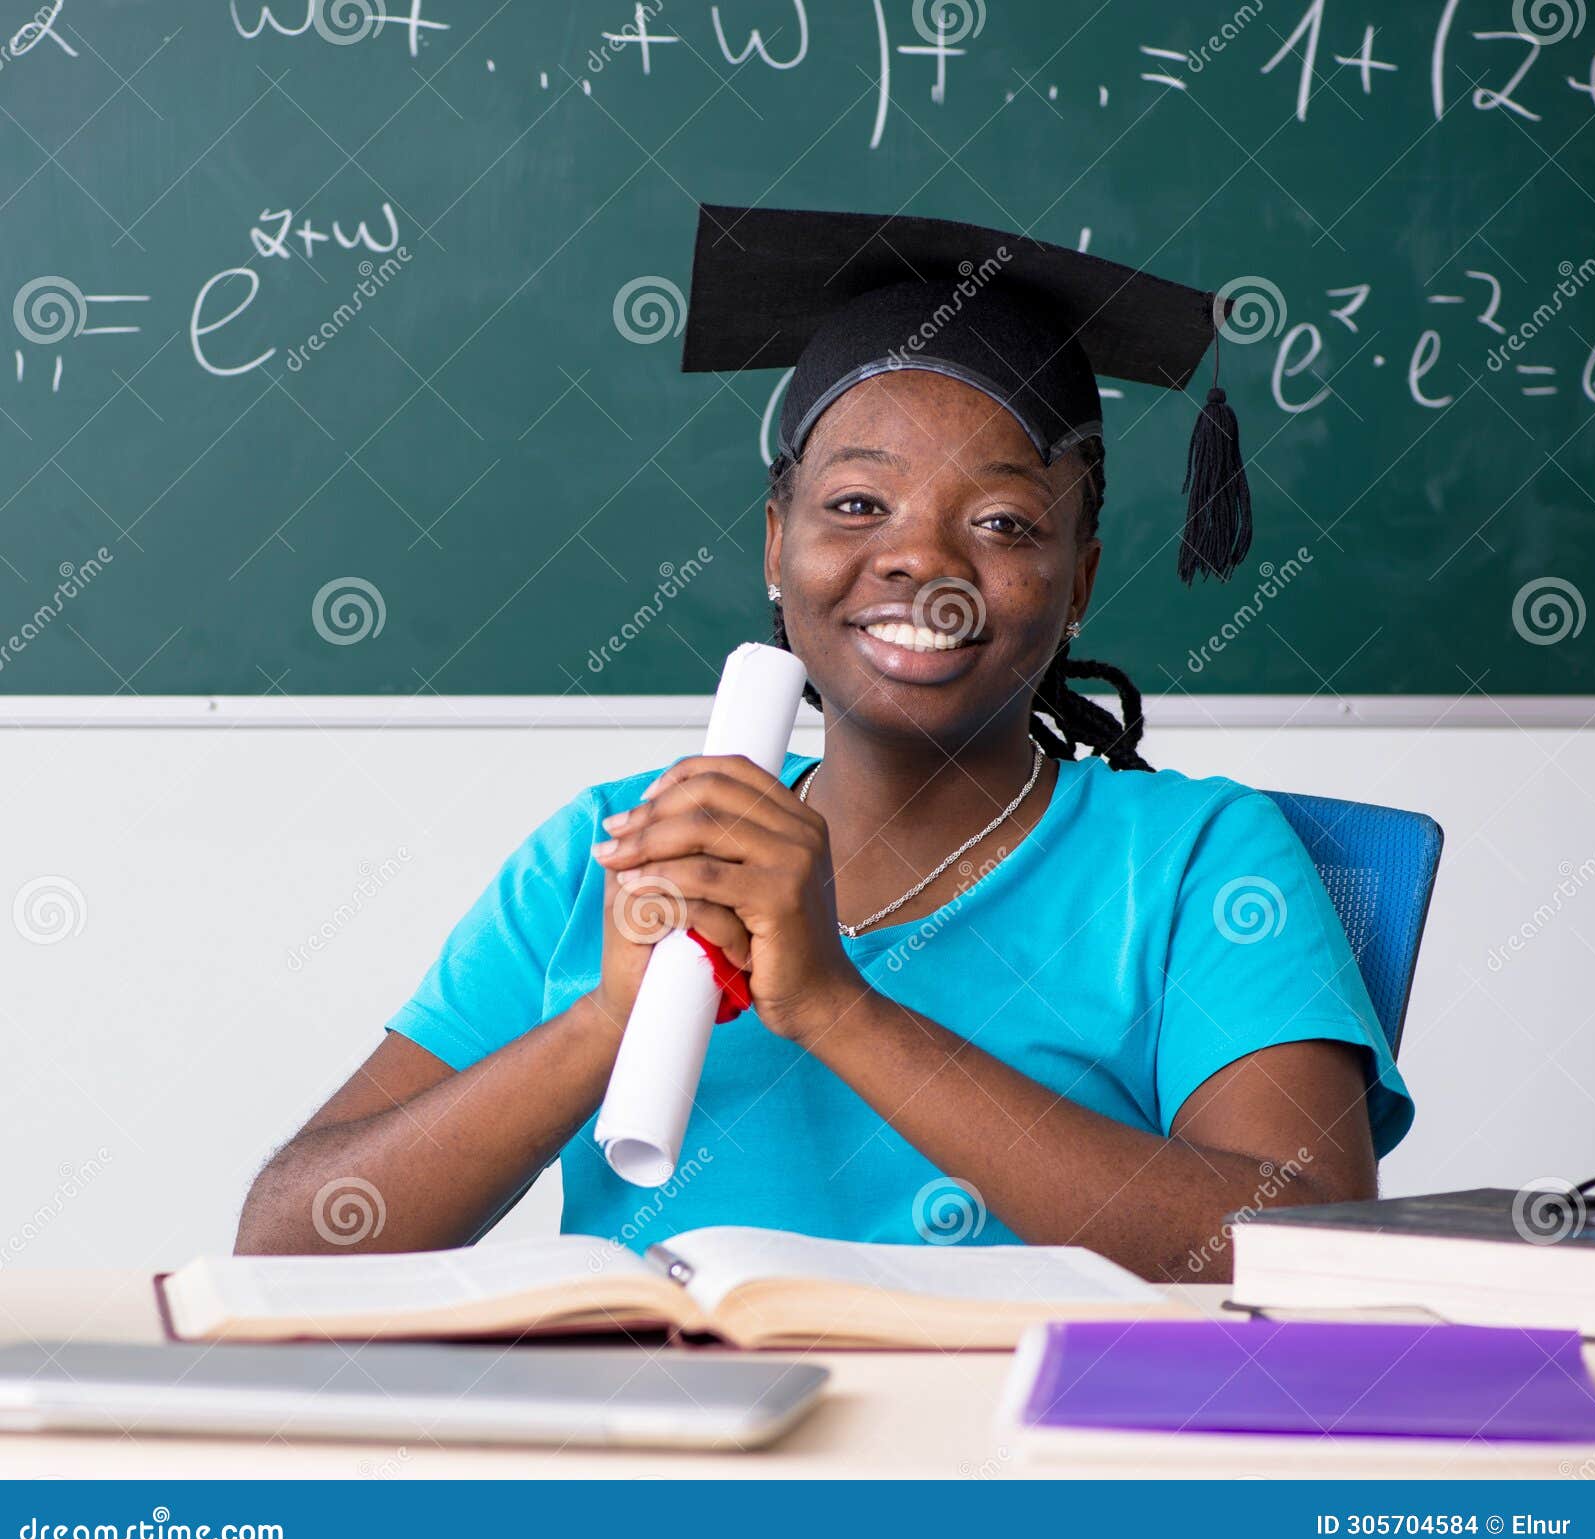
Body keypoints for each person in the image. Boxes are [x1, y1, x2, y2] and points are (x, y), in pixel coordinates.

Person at [236, 204, 1412, 1280]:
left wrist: (837, 1006)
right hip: (660, 1455)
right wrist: (609, 1016)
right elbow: (289, 1241)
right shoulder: (617, 849)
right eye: (856, 505)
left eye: (1003, 522)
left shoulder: (1200, 860)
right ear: (774, 545)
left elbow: (1305, 1249)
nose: (918, 561)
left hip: (1016, 1470)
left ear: (1079, 581)